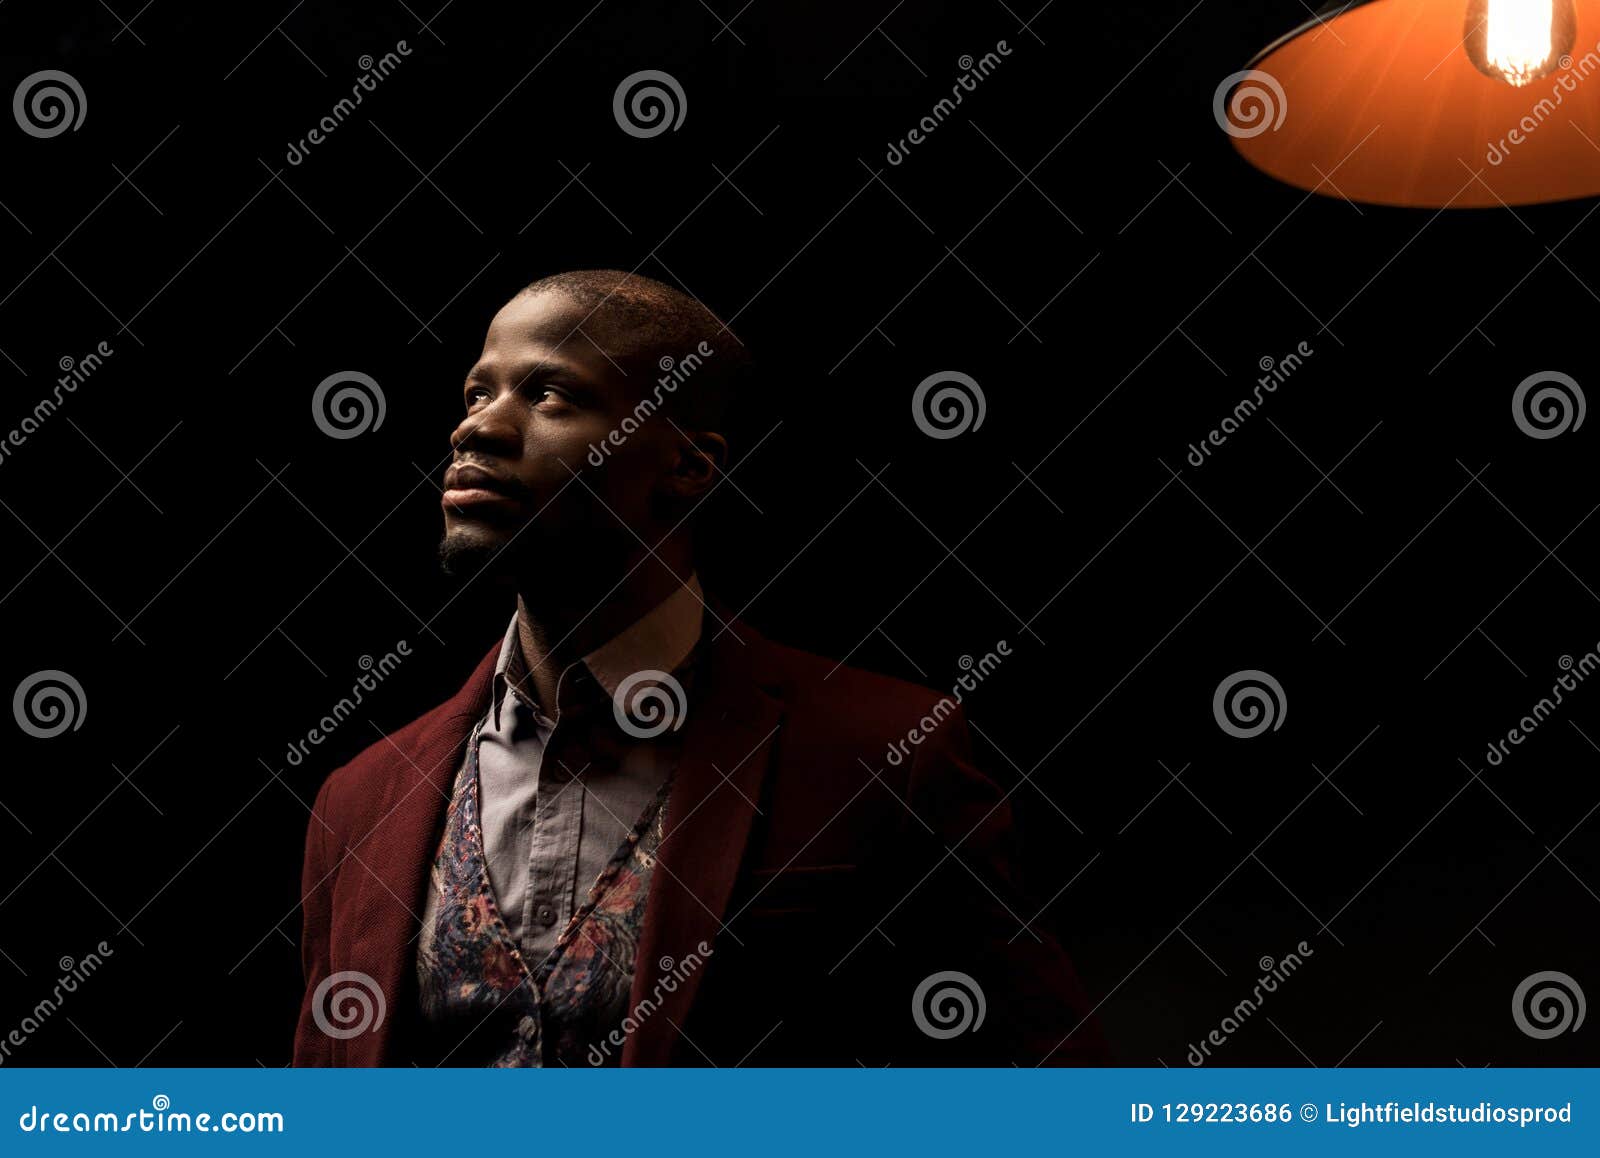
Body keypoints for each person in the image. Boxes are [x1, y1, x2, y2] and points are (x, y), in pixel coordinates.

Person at [293, 270, 1103, 1066]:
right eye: (477, 394)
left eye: (550, 396)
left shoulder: (885, 752)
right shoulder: (361, 799)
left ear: (687, 466)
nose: (476, 430)